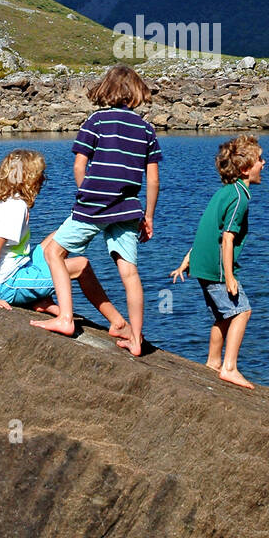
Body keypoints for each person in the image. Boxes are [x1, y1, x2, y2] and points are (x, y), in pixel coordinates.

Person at [42, 64, 161, 355]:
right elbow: (153, 179)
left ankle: (65, 318)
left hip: (93, 203)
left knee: (53, 252)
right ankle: (135, 339)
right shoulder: (146, 129)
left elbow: (79, 165)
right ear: (135, 92)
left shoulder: (94, 121)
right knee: (130, 273)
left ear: (105, 89)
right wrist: (148, 216)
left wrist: (85, 193)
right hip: (128, 208)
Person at [0, 148, 127, 332]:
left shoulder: (5, 202)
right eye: (40, 174)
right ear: (29, 179)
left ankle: (42, 301)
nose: (43, 179)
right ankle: (116, 322)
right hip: (8, 284)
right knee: (81, 265)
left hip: (6, 275)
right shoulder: (15, 208)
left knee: (59, 237)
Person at [170, 135, 265, 389]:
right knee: (242, 311)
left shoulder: (224, 192)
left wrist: (187, 261)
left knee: (223, 316)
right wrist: (230, 276)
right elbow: (227, 237)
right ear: (245, 168)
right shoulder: (240, 197)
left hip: (203, 265)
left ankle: (213, 362)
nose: (264, 164)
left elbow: (206, 230)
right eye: (260, 160)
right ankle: (229, 367)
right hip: (218, 269)